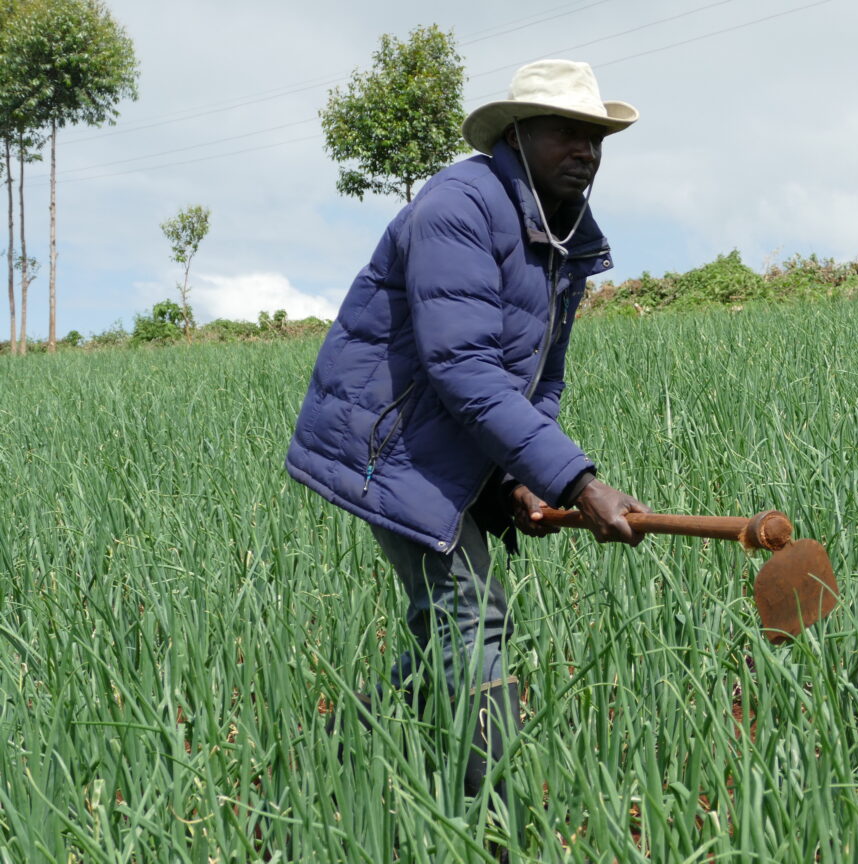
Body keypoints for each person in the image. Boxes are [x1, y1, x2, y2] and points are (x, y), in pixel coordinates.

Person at [284, 59, 649, 804]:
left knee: (444, 633)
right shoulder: (458, 206)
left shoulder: (566, 235)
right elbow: (462, 369)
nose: (585, 150)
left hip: (453, 441)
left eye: (596, 138)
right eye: (566, 132)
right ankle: (501, 821)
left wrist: (519, 480)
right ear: (516, 134)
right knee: (471, 617)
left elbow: (539, 380)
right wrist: (578, 483)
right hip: (394, 446)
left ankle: (326, 769)